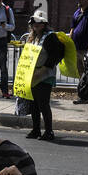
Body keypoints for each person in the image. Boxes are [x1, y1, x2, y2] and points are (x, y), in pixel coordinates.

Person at [24, 11, 62, 141]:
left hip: (45, 75)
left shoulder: (50, 37)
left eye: (38, 23)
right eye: (33, 24)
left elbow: (55, 55)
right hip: (33, 74)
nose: (35, 26)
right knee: (33, 104)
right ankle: (36, 130)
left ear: (44, 24)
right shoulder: (33, 37)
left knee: (43, 103)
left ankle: (49, 131)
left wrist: (44, 69)